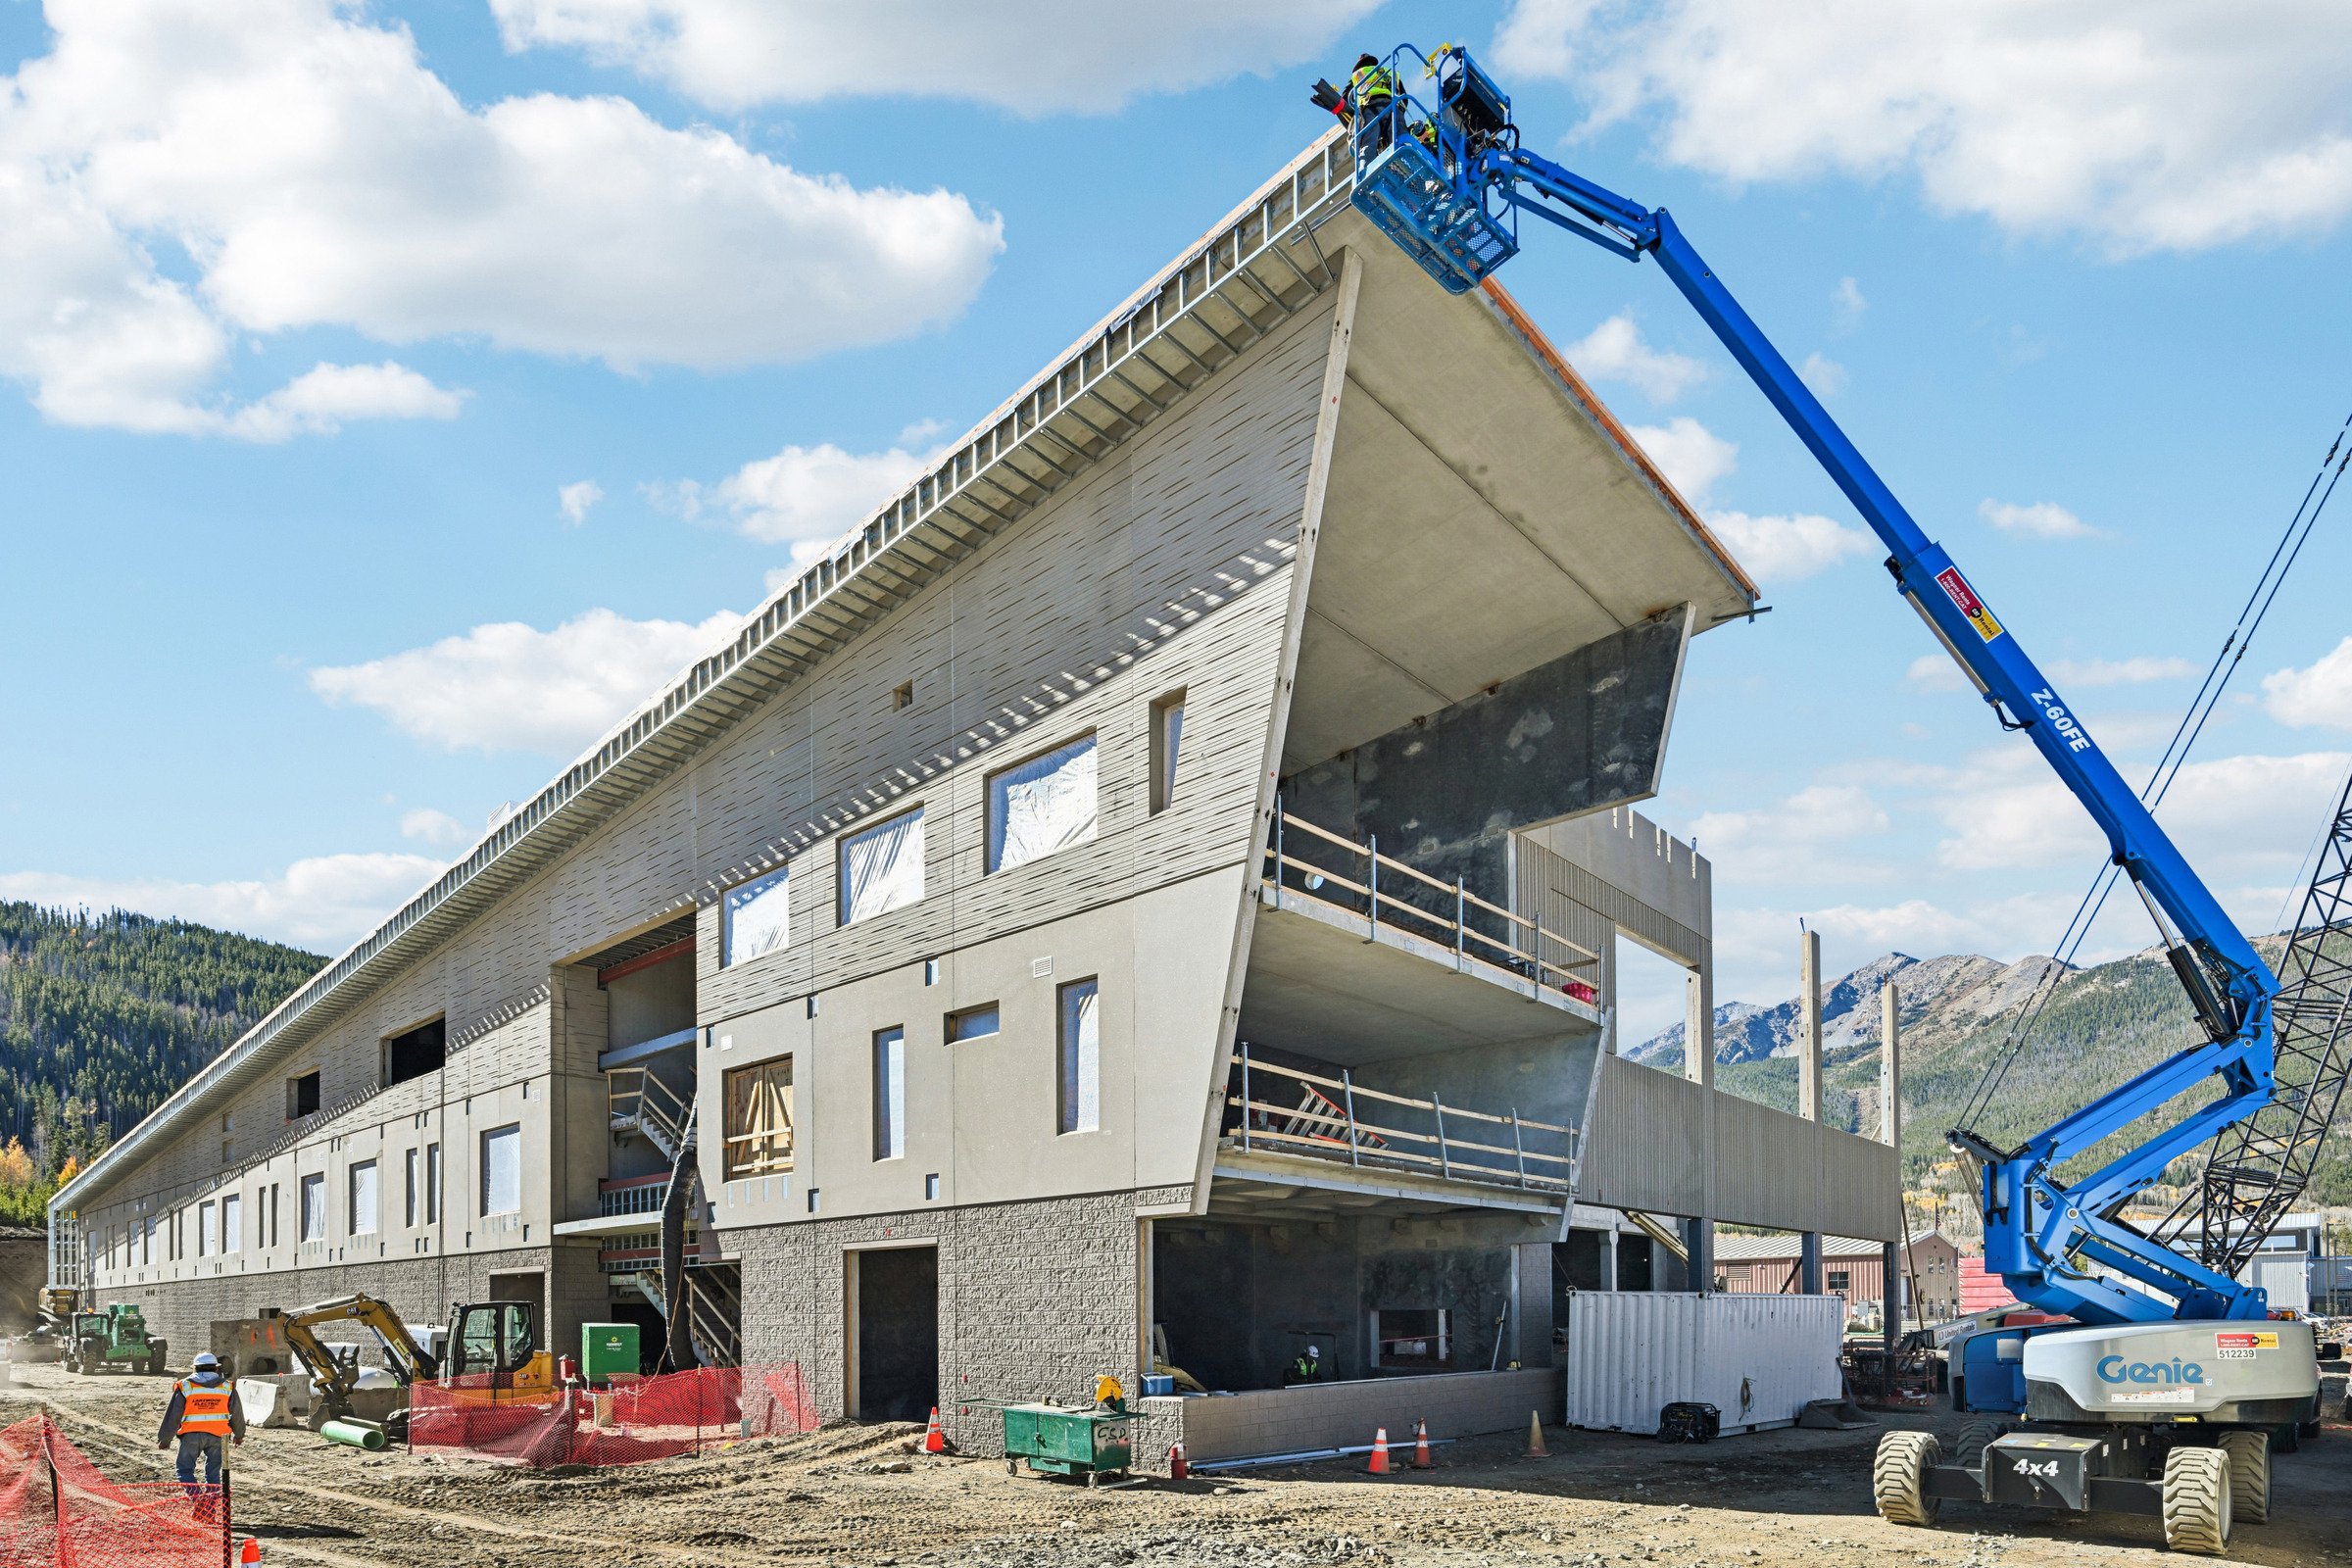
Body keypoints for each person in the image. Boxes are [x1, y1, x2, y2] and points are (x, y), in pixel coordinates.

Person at [157, 1351, 244, 1497]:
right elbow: (237, 1413)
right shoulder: (227, 1387)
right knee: (213, 1475)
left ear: (195, 1368)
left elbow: (173, 1416)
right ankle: (208, 1509)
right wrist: (239, 1434)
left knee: (184, 1470)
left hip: (191, 1435)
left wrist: (165, 1440)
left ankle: (198, 1500)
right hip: (219, 1436)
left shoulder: (185, 1386)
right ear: (216, 1368)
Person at [1346, 52, 1398, 152]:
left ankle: (1365, 163)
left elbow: (1346, 97)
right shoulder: (1389, 72)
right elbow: (1403, 98)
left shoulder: (1358, 74)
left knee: (1369, 141)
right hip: (1391, 108)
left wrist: (1355, 113)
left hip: (1370, 107)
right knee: (1396, 137)